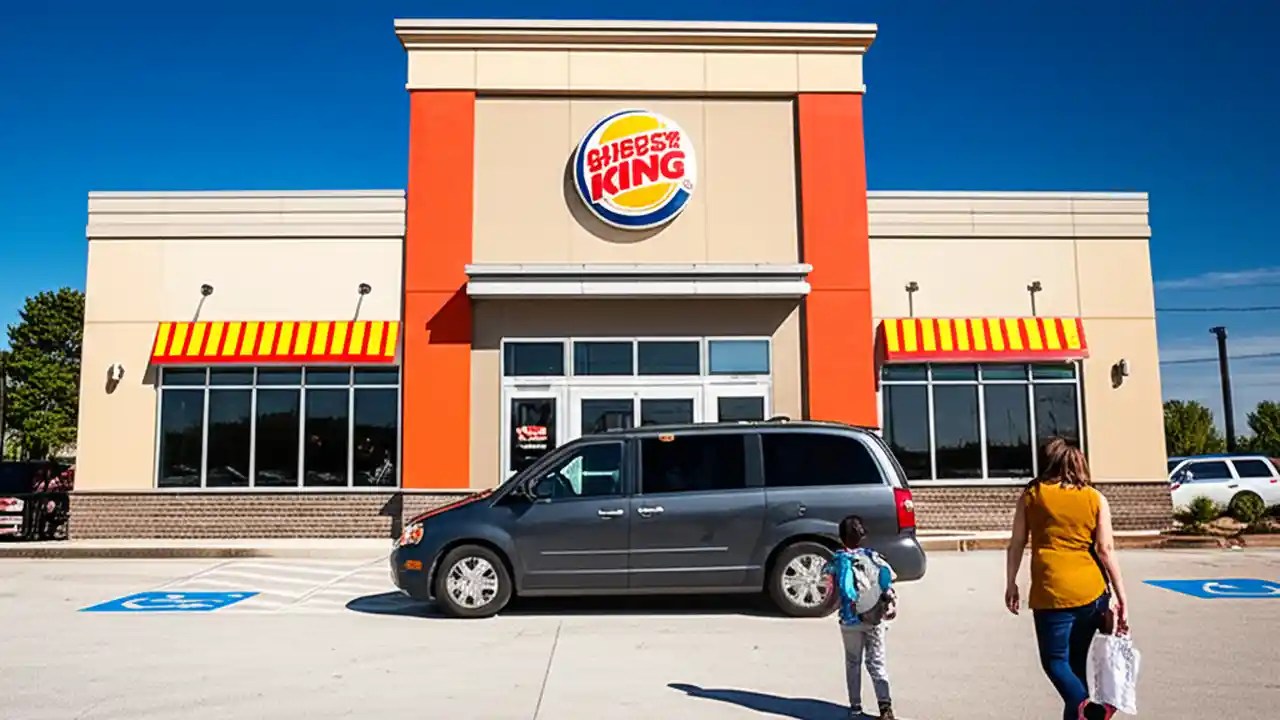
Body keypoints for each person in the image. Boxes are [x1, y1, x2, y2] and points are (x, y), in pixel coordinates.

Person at [1005, 437, 1130, 720]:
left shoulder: (1033, 494)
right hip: (1092, 592)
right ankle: (1084, 710)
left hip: (1052, 592)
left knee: (1055, 662)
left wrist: (1011, 581)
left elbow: (1017, 543)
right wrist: (1122, 596)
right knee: (1074, 664)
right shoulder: (1096, 498)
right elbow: (1105, 550)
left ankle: (1092, 708)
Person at [826, 515, 898, 720]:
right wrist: (890, 603)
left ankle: (855, 708)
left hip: (850, 619)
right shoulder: (873, 557)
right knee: (877, 662)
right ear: (862, 536)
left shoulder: (837, 561)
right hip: (874, 617)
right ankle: (885, 708)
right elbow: (888, 579)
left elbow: (829, 592)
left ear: (841, 537)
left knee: (853, 662)